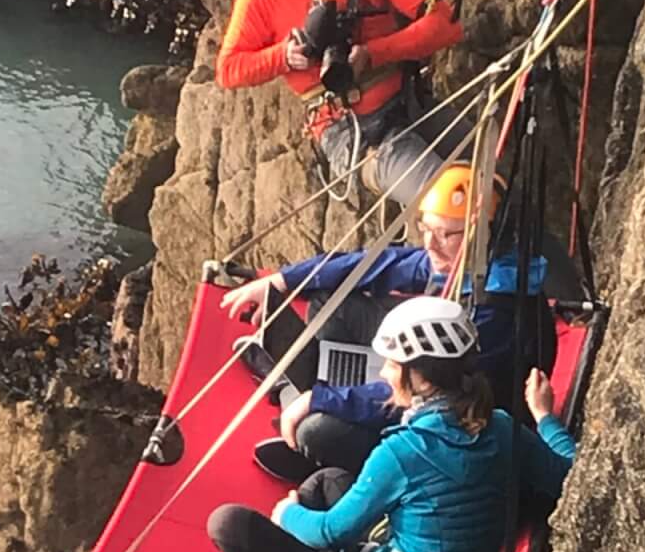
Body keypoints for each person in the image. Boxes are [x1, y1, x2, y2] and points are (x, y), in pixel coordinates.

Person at [184, 298, 577, 552]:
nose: (385, 373)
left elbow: (330, 531)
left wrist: (287, 515)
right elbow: (566, 475)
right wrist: (544, 418)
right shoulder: (501, 426)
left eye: (391, 364)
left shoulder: (402, 452)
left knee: (231, 525)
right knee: (329, 480)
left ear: (418, 375)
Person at [220, 162, 556, 483]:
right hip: (424, 373)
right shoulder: (464, 261)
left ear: (484, 237)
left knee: (317, 431)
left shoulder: (495, 310)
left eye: (444, 234)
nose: (430, 244)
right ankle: (302, 386)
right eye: (425, 229)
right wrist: (282, 280)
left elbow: (425, 392)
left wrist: (322, 400)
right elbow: (381, 263)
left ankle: (325, 446)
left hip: (458, 416)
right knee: (332, 302)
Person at [215, 0, 466, 205]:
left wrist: (374, 53)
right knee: (448, 200)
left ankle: (513, 254)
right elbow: (229, 70)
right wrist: (284, 56)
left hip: (408, 102)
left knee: (491, 159)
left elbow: (446, 25)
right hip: (351, 132)